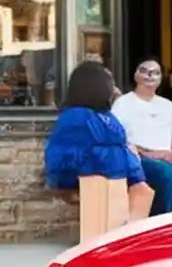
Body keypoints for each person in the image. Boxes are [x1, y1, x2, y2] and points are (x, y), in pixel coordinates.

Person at [44, 61, 154, 222]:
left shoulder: (105, 115)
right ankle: (126, 234)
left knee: (144, 190)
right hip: (89, 174)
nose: (114, 89)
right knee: (144, 187)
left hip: (111, 170)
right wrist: (128, 165)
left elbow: (119, 143)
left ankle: (130, 230)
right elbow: (72, 155)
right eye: (110, 84)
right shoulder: (76, 116)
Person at [111, 58, 172, 214]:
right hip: (137, 159)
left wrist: (170, 154)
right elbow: (119, 141)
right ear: (136, 75)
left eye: (155, 72)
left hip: (166, 157)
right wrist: (153, 154)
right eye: (144, 71)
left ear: (161, 79)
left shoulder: (167, 105)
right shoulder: (122, 104)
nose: (149, 76)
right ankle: (167, 229)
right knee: (169, 175)